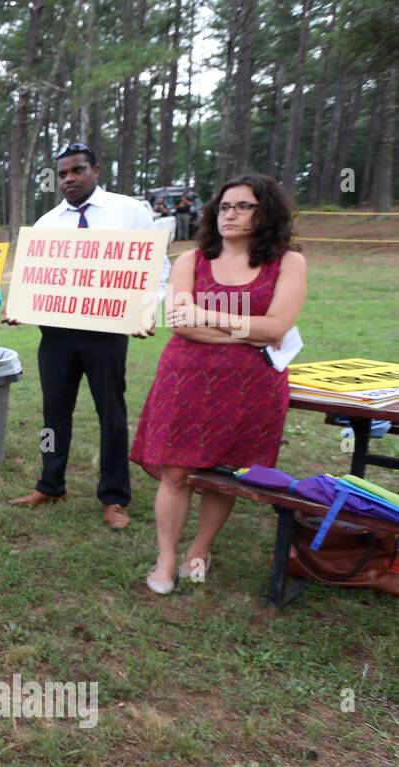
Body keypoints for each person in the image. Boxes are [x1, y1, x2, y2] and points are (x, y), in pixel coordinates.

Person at [132, 174, 306, 594]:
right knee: (176, 471)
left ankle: (201, 548)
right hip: (186, 380)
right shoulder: (192, 260)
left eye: (244, 206)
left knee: (223, 471)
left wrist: (206, 316)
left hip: (250, 388)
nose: (231, 214)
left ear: (266, 212)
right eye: (225, 206)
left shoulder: (289, 262)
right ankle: (166, 556)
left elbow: (279, 326)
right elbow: (179, 323)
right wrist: (249, 330)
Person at [5, 142, 169, 530]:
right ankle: (50, 483)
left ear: (96, 170)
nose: (69, 180)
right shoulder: (48, 224)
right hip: (56, 335)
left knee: (111, 413)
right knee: (52, 414)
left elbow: (157, 267)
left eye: (76, 171)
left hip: (107, 333)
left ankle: (114, 497)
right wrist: (19, 306)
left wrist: (147, 310)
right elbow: (34, 277)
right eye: (62, 174)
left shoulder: (129, 212)